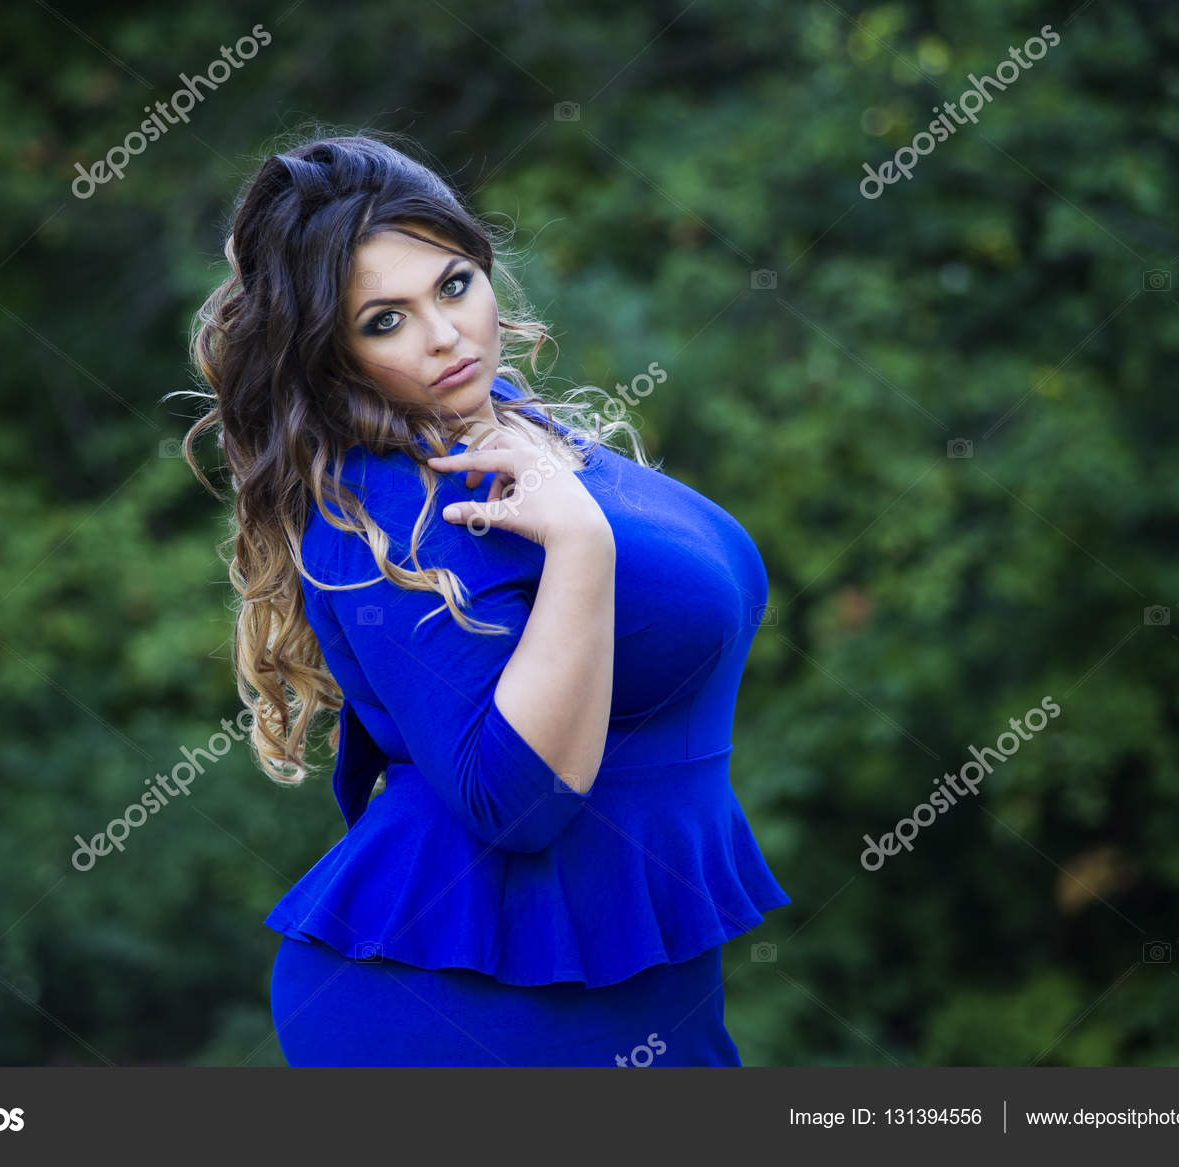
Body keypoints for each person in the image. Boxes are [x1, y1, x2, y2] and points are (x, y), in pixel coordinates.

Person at [176, 131, 790, 1066]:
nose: (443, 334)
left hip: (624, 983)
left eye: (454, 283)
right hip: (465, 1012)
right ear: (331, 354)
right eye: (384, 320)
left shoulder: (508, 426)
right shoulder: (389, 499)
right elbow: (516, 806)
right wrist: (581, 546)